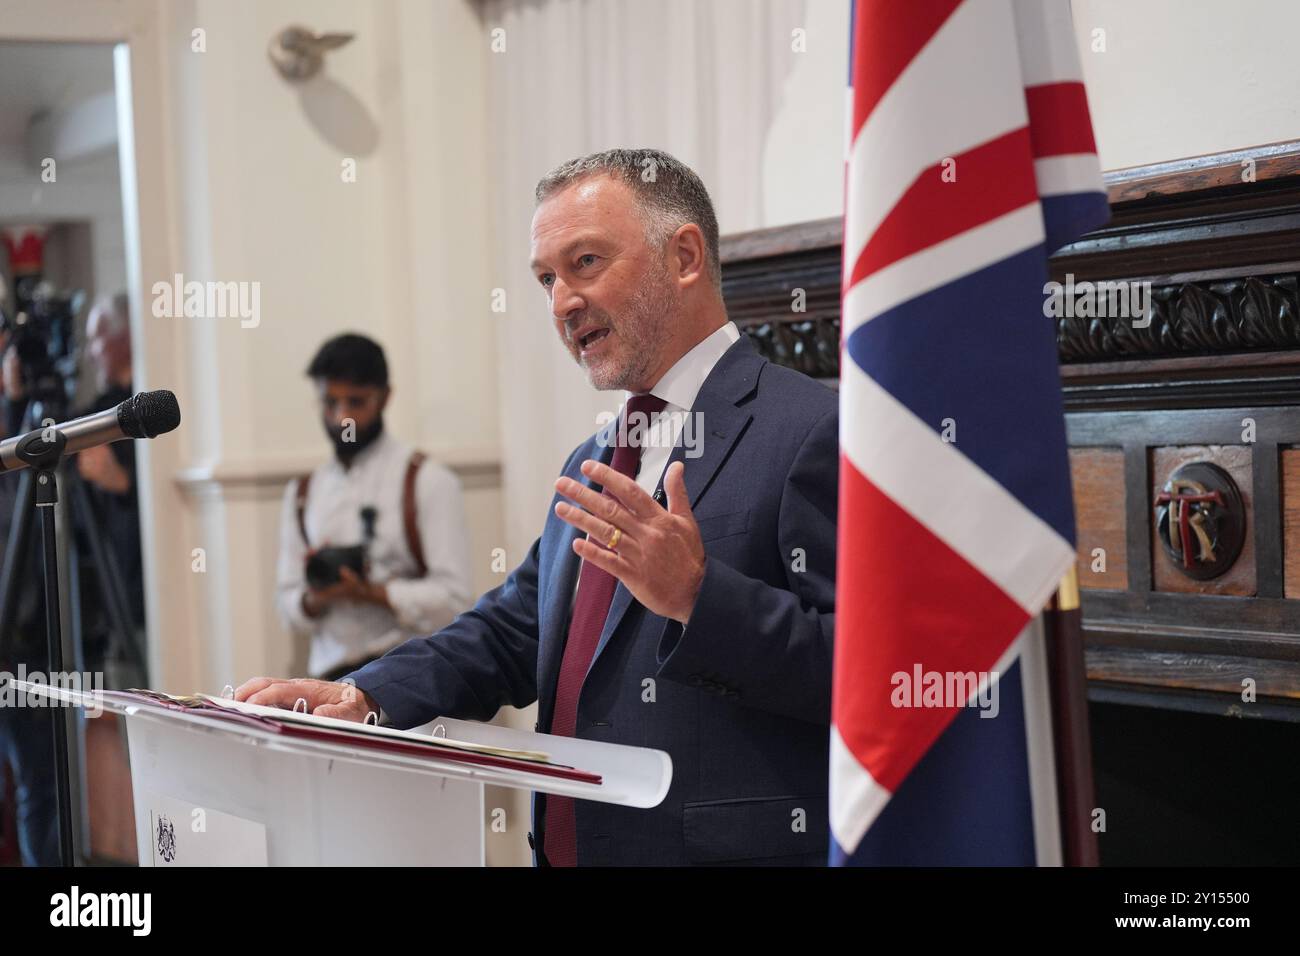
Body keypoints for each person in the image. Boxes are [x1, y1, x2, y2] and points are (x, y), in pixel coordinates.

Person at [240, 149, 838, 866]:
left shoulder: (811, 429)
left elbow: (858, 674)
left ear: (682, 257)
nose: (560, 302)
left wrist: (699, 598)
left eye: (585, 262)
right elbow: (514, 633)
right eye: (546, 279)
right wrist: (363, 698)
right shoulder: (595, 457)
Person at [276, 333, 472, 681]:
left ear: (385, 397)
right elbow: (287, 604)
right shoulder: (303, 493)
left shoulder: (428, 481)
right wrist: (319, 597)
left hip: (411, 679)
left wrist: (375, 593)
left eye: (356, 402)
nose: (342, 418)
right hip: (327, 685)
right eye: (330, 403)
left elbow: (455, 602)